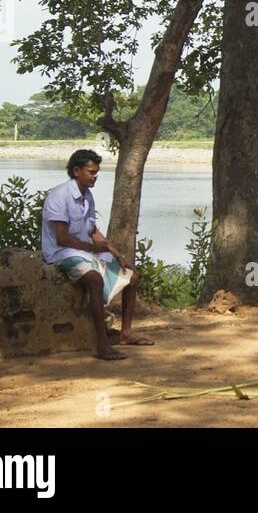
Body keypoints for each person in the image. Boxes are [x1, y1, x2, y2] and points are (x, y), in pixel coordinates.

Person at [41, 149, 154, 360]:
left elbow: (92, 230)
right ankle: (101, 344)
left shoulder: (87, 196)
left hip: (84, 251)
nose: (95, 176)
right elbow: (62, 239)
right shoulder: (59, 196)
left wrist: (116, 253)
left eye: (96, 172)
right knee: (94, 279)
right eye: (91, 172)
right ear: (77, 171)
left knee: (132, 276)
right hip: (61, 253)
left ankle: (126, 333)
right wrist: (93, 249)